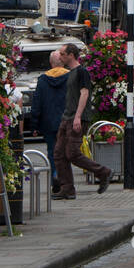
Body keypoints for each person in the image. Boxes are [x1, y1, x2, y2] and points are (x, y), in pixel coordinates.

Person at [52, 43, 112, 199]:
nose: (60, 56)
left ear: (71, 55)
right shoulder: (70, 73)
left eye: (63, 54)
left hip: (76, 118)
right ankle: (67, 189)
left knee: (72, 153)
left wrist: (78, 116)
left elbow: (84, 94)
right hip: (67, 117)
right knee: (59, 153)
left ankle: (103, 172)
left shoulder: (82, 72)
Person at [30, 50, 69, 190]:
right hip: (66, 120)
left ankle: (55, 173)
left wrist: (34, 125)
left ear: (51, 63)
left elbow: (37, 104)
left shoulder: (42, 80)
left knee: (52, 151)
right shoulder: (70, 77)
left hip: (48, 122)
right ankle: (64, 180)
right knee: (65, 151)